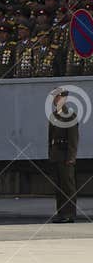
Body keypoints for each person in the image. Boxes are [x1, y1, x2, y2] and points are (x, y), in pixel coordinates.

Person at [48, 88, 80, 223]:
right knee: (59, 186)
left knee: (68, 186)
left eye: (56, 97)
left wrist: (71, 157)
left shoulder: (70, 116)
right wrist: (50, 154)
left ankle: (70, 214)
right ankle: (61, 213)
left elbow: (73, 139)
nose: (55, 100)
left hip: (66, 156)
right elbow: (50, 138)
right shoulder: (53, 116)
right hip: (56, 156)